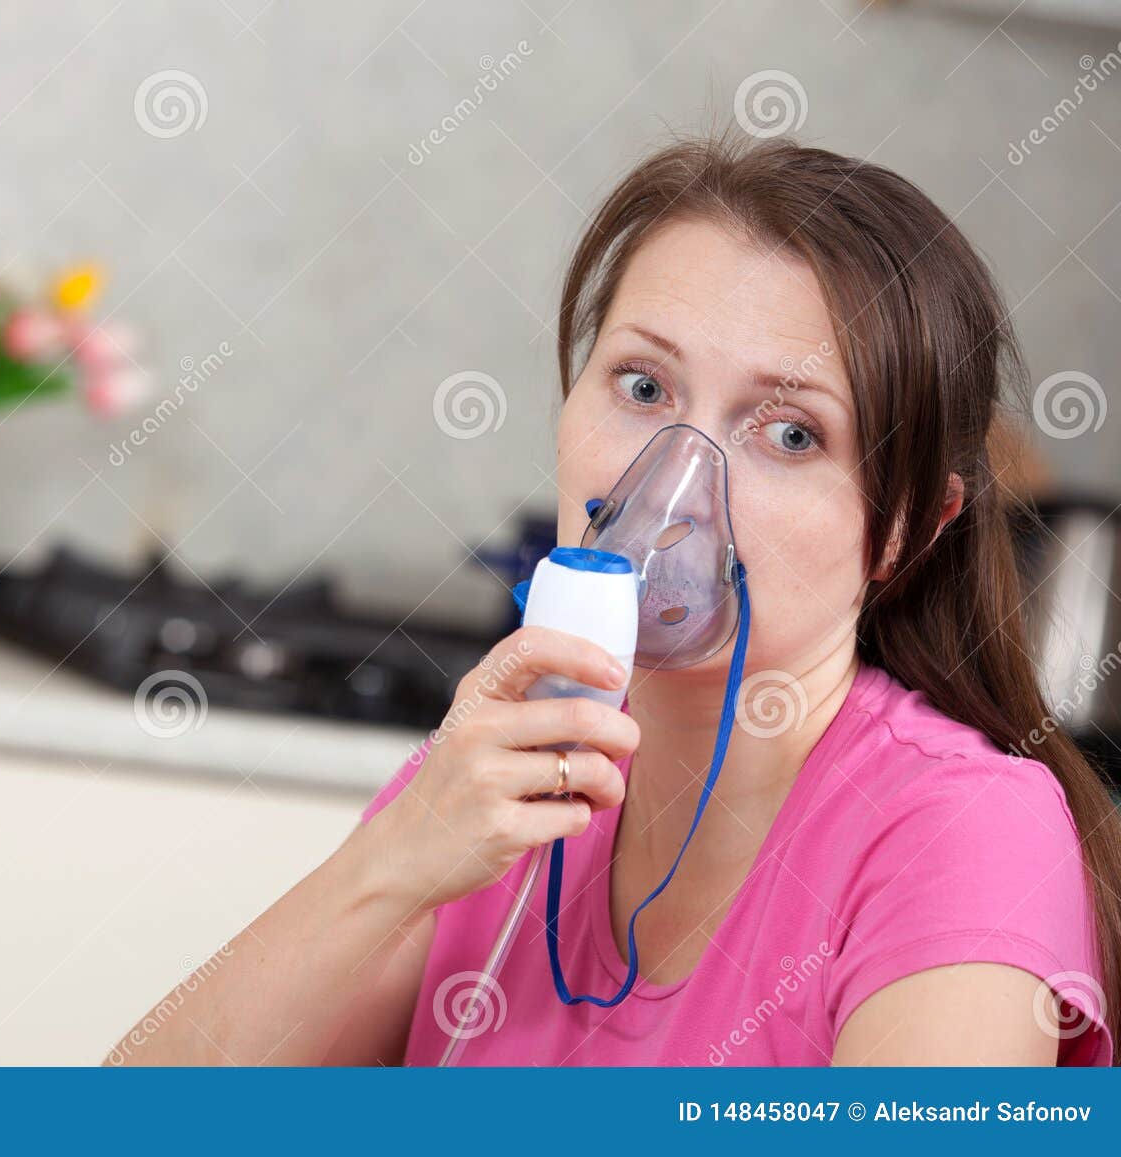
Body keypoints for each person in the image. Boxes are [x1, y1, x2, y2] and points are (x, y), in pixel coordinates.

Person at [108, 134, 1118, 1066]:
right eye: (642, 388)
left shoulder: (958, 833)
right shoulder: (490, 784)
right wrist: (393, 858)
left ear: (907, 525)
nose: (675, 482)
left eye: (790, 434)